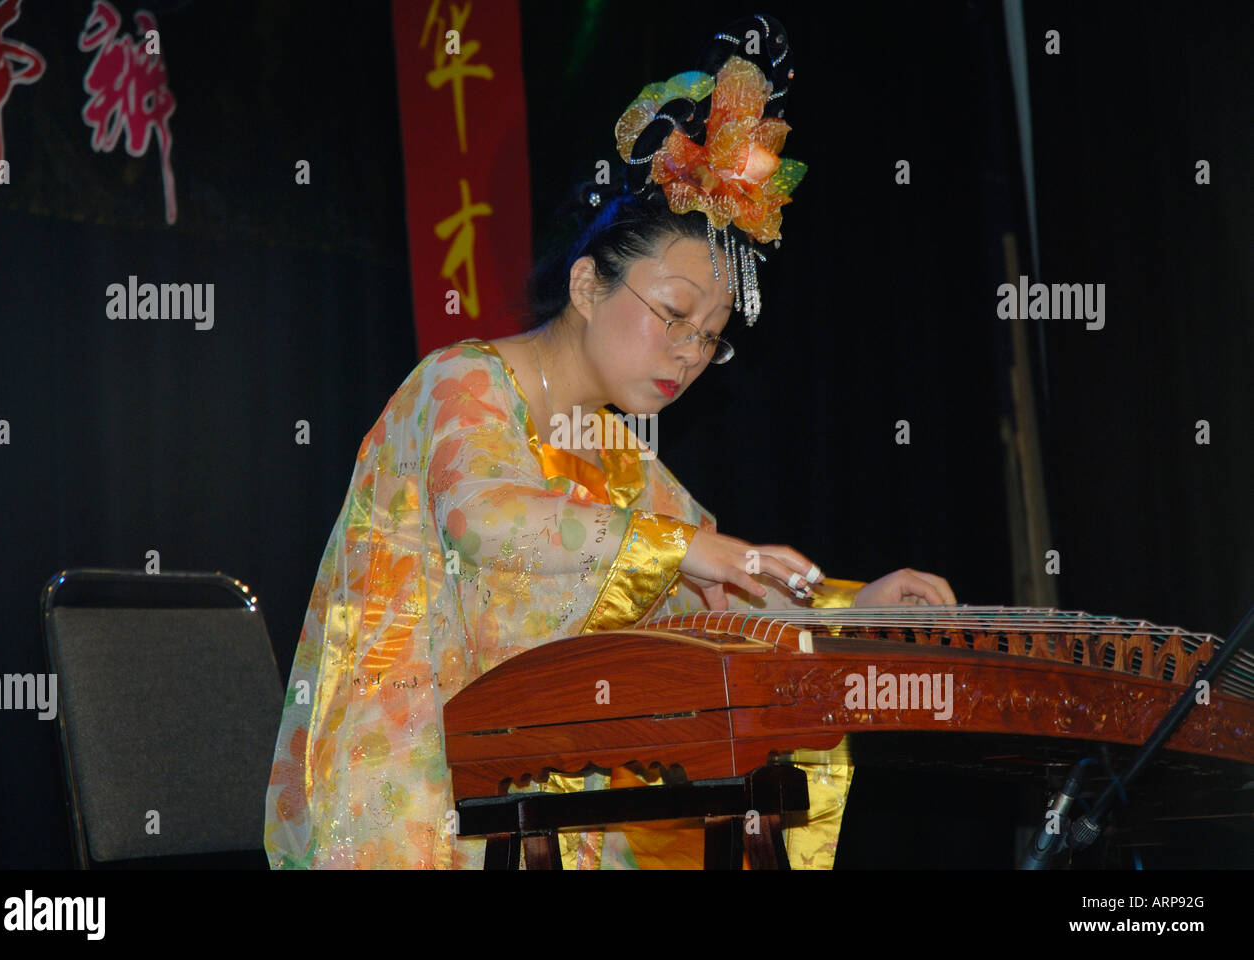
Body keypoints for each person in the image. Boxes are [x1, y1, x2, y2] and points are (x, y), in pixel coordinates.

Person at [263, 14, 955, 870]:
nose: (691, 352)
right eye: (673, 314)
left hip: (530, 789)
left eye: (712, 335)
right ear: (588, 284)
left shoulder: (612, 449)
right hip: (405, 781)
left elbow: (714, 593)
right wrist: (692, 549)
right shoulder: (462, 382)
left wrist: (857, 610)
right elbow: (491, 517)